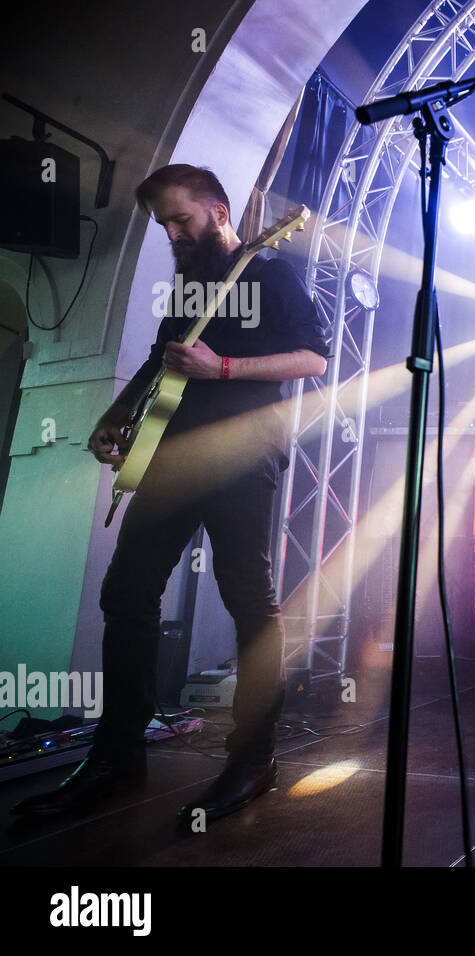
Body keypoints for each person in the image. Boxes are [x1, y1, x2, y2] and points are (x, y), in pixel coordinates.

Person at [12, 165, 330, 821]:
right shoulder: (189, 283)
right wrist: (116, 415)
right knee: (124, 592)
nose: (172, 232)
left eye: (180, 219)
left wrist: (226, 367)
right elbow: (163, 356)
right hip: (170, 453)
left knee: (248, 599)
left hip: (242, 455)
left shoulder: (267, 272)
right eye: (163, 223)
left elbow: (314, 358)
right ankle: (116, 757)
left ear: (217, 210)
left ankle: (253, 759)